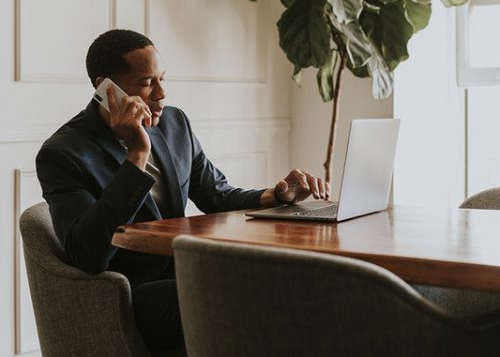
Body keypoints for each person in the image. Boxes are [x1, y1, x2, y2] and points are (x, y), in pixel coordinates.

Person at [36, 29, 330, 353]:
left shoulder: (175, 124)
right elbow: (87, 254)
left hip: (187, 272)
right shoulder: (64, 154)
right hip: (130, 289)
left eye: (162, 79)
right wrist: (137, 156)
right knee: (234, 307)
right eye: (147, 83)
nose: (161, 94)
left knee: (279, 292)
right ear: (106, 88)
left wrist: (275, 196)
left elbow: (215, 195)